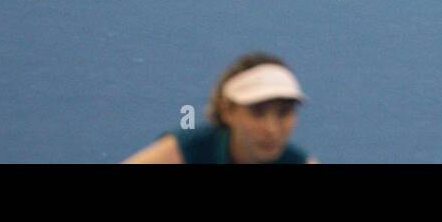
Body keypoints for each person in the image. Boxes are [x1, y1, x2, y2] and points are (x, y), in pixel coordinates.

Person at [123, 53, 317, 164]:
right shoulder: (187, 150)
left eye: (284, 113)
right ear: (227, 111)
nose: (271, 129)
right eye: (257, 113)